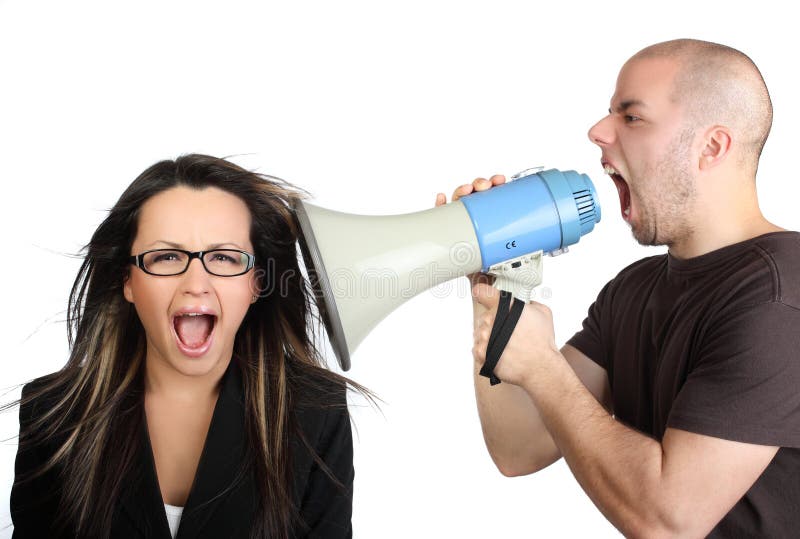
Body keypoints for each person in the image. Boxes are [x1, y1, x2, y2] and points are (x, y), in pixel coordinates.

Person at [435, 39, 800, 537]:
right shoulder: (633, 289)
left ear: (712, 147)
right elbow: (518, 448)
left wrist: (543, 367)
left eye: (631, 117)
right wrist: (492, 289)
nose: (598, 131)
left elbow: (668, 522)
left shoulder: (779, 297)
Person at [7, 154, 368, 538]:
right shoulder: (53, 414)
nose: (196, 284)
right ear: (128, 281)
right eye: (166, 257)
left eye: (224, 257)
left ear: (256, 283)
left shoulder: (316, 412)